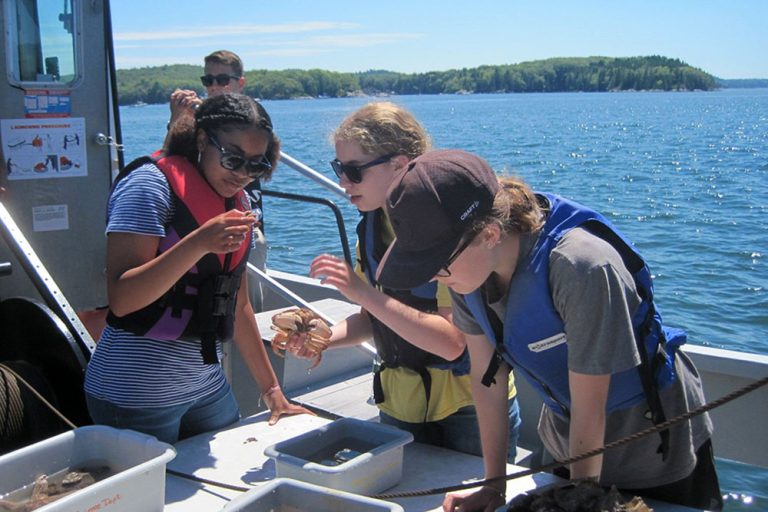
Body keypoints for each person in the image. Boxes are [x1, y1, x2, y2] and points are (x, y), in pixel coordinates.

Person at [375, 149, 723, 512]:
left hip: (654, 450)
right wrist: (493, 486)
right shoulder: (467, 275)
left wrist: (581, 502)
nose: (433, 277)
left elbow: (592, 405)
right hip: (567, 443)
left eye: (438, 265)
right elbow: (486, 380)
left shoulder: (580, 267)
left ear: (490, 233)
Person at [84, 93, 311, 444]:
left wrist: (273, 391)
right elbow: (122, 299)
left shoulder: (240, 202)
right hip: (134, 393)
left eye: (257, 165)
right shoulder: (148, 187)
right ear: (203, 140)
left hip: (206, 384)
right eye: (233, 159)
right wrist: (198, 243)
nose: (243, 176)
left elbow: (238, 304)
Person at [301, 103, 520, 459]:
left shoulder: (448, 237)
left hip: (468, 406)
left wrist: (363, 293)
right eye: (338, 168)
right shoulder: (371, 231)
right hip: (400, 406)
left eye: (354, 171)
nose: (343, 181)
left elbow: (452, 343)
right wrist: (323, 339)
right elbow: (374, 320)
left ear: (399, 166)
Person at [165, 50, 267, 309]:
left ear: (240, 83)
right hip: (201, 228)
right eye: (208, 81)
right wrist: (177, 121)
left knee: (243, 305)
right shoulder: (200, 122)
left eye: (223, 80)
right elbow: (170, 166)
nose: (214, 87)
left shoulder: (254, 122)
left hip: (244, 227)